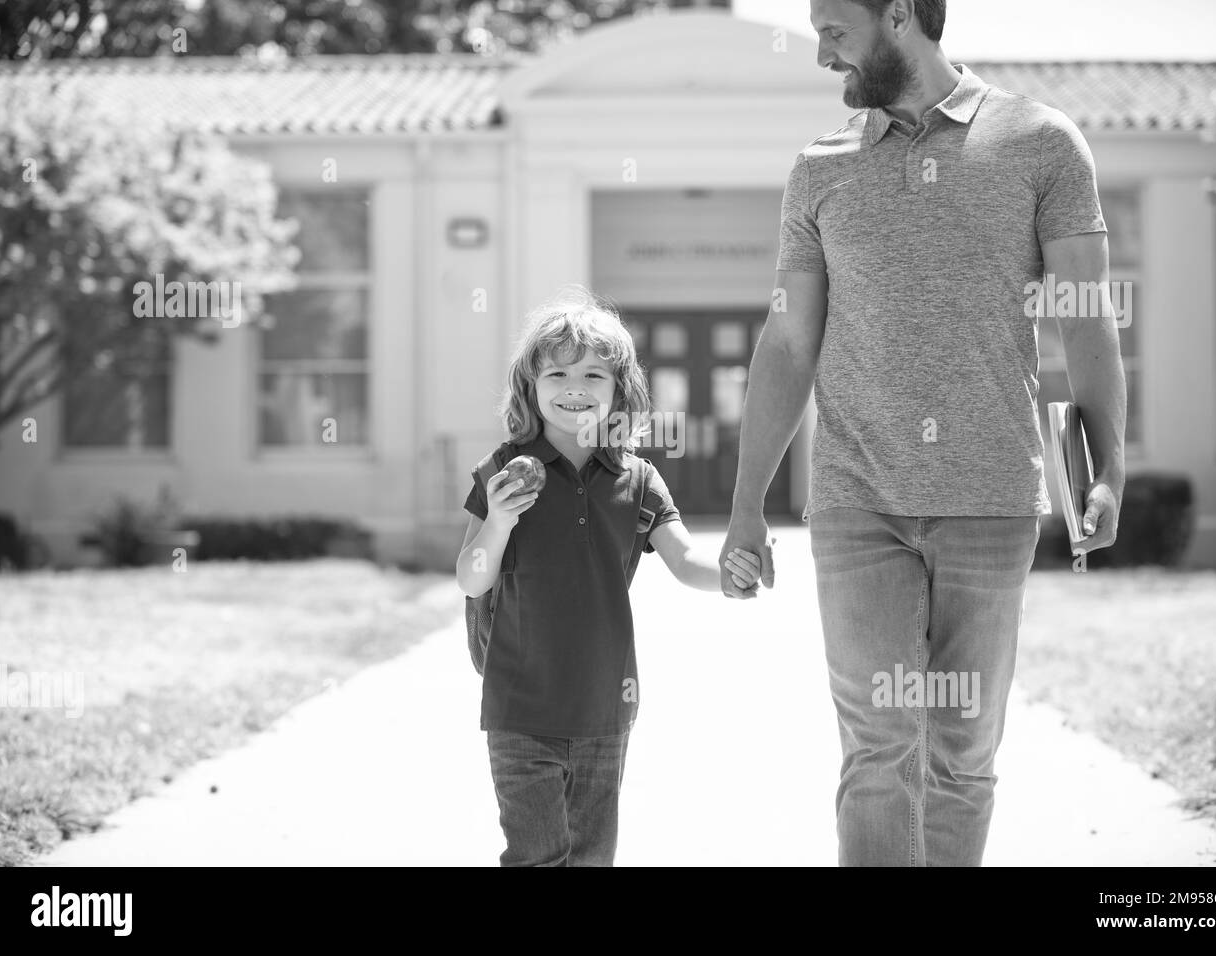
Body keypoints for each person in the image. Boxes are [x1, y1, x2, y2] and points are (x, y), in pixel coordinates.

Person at [720, 0, 1127, 866]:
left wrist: (1108, 468)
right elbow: (789, 340)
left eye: (833, 30)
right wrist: (748, 504)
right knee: (877, 750)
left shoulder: (1039, 142)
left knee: (962, 753)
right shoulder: (819, 167)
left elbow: (1084, 315)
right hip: (857, 501)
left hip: (989, 501)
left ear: (899, 15)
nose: (821, 54)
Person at [458, 287, 764, 866]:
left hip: (607, 702)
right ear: (531, 386)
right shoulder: (501, 472)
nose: (575, 388)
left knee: (593, 857)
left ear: (620, 391)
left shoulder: (638, 479)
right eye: (557, 373)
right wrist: (497, 520)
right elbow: (472, 579)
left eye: (594, 376)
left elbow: (685, 561)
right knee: (536, 854)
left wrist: (729, 573)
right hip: (519, 704)